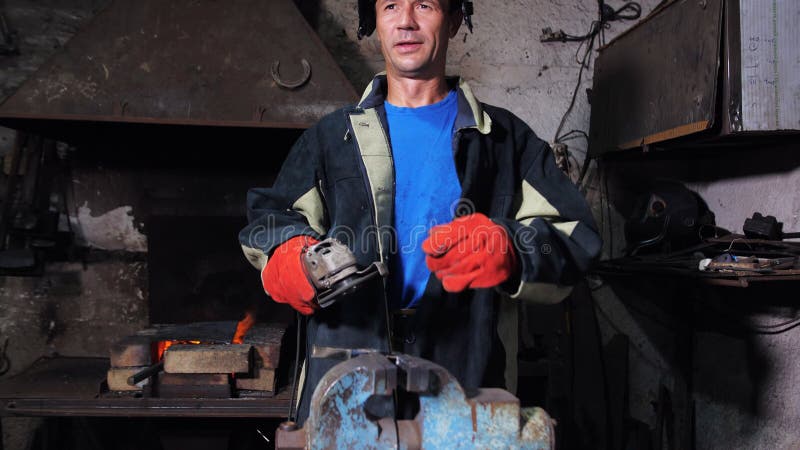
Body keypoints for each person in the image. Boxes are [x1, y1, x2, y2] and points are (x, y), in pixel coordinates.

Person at [239, 0, 601, 422]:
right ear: (375, 22)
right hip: (347, 376)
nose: (406, 22)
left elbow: (576, 237)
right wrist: (288, 253)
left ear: (455, 19)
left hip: (466, 374)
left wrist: (512, 248)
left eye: (424, 5)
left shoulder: (504, 141)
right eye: (391, 6)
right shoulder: (331, 137)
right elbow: (272, 218)